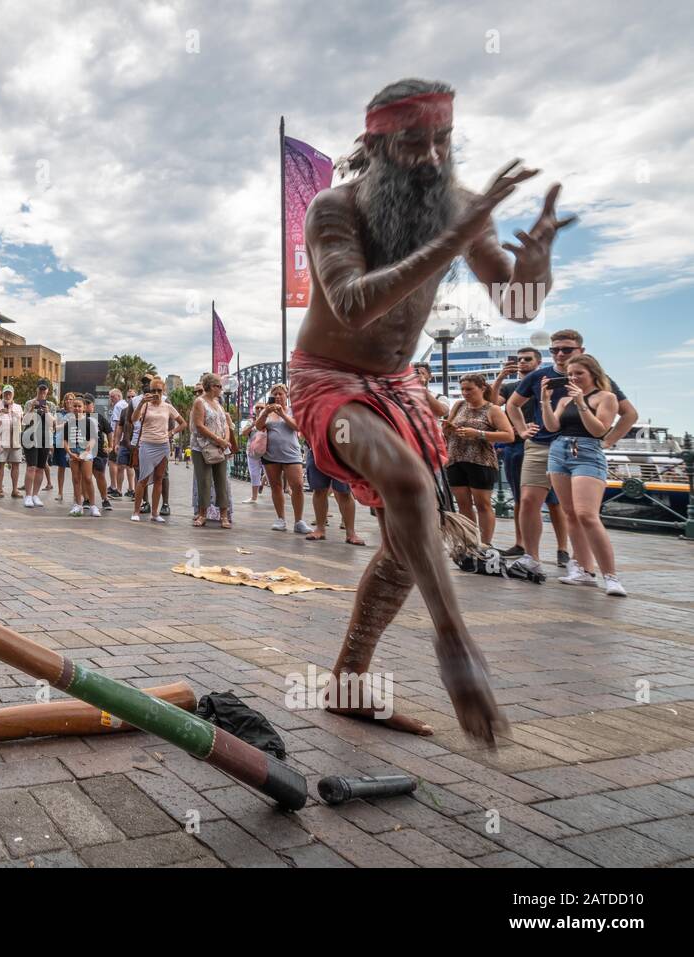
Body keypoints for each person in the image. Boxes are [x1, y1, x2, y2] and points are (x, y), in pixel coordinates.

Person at [291, 77, 577, 741]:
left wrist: (535, 269)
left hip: (399, 382)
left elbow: (516, 305)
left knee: (402, 544)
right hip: (327, 380)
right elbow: (355, 302)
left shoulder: (461, 206)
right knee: (409, 484)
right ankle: (457, 651)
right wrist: (454, 237)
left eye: (442, 141)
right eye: (412, 143)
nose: (430, 158)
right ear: (376, 146)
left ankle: (348, 680)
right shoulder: (334, 208)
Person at [505, 329, 637, 578]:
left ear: (581, 351)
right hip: (542, 445)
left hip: (579, 448)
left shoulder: (594, 380)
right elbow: (512, 404)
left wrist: (608, 441)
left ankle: (580, 563)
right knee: (529, 500)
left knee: (578, 511)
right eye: (554, 350)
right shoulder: (539, 376)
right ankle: (531, 558)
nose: (560, 354)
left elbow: (629, 413)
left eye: (567, 349)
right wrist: (522, 430)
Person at [542, 354, 626, 595]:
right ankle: (583, 571)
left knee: (587, 515)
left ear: (593, 374)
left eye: (579, 373)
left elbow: (598, 430)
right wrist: (545, 402)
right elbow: (551, 427)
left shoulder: (606, 397)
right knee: (570, 513)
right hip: (559, 451)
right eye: (570, 374)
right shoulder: (564, 400)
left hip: (587, 452)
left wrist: (581, 403)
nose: (574, 378)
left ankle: (610, 576)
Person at [491, 347, 568, 557]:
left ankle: (563, 548)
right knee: (520, 499)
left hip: (545, 443)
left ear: (538, 361)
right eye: (520, 359)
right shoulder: (511, 387)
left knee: (554, 501)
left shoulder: (544, 381)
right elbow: (492, 403)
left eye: (527, 359)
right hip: (517, 446)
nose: (522, 362)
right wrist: (500, 378)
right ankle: (521, 543)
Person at [442, 373, 514, 547]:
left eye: (469, 389)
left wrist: (479, 434)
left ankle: (486, 544)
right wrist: (448, 428)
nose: (465, 393)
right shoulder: (459, 405)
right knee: (463, 504)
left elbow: (508, 435)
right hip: (455, 458)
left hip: (480, 460)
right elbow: (446, 431)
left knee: (483, 504)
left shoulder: (492, 409)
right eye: (462, 389)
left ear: (482, 388)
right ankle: (469, 541)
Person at [257, 384, 312, 535]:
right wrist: (264, 413)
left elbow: (297, 427)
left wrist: (282, 414)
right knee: (275, 486)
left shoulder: (293, 410)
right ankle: (280, 519)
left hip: (291, 454)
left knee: (298, 485)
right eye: (275, 394)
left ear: (286, 396)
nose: (278, 397)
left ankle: (299, 521)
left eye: (281, 394)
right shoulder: (266, 411)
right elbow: (258, 426)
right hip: (271, 454)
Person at [130, 377, 185, 523]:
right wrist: (142, 402)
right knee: (143, 479)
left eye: (159, 390)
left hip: (163, 446)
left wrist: (171, 433)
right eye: (153, 390)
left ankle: (155, 513)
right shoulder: (145, 405)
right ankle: (136, 511)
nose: (156, 393)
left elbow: (183, 423)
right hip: (147, 445)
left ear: (163, 391)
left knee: (159, 479)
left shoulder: (167, 406)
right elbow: (133, 419)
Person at [190, 373, 234, 528]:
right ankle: (202, 514)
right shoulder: (200, 402)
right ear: (210, 386)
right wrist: (219, 440)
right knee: (204, 481)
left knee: (222, 481)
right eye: (219, 386)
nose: (221, 389)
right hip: (202, 448)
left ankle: (224, 515)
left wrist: (225, 441)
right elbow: (199, 426)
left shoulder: (218, 404)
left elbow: (225, 425)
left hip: (220, 448)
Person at [305, 448, 364, 545]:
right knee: (319, 490)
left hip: (342, 452)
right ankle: (320, 529)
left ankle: (351, 533)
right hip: (317, 451)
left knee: (344, 492)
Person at [21, 380, 55, 508]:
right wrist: (31, 409)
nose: (42, 392)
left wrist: (47, 412)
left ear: (47, 391)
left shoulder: (51, 405)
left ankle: (35, 495)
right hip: (30, 437)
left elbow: (53, 423)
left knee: (41, 467)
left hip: (45, 437)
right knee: (31, 467)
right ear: (37, 390)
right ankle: (28, 496)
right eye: (40, 389)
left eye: (44, 390)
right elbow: (24, 420)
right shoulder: (29, 403)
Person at [0, 384, 25, 498]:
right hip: (1, 440)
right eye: (6, 393)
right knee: (1, 464)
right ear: (3, 394)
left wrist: (12, 411)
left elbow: (21, 420)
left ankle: (15, 490)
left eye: (10, 393)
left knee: (16, 464)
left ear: (13, 394)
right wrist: (0, 413)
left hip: (15, 439)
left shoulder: (18, 407)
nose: (8, 395)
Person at [240, 399, 269, 503]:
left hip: (267, 451)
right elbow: (243, 433)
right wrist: (253, 424)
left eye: (262, 407)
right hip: (252, 451)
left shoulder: (269, 419)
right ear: (254, 409)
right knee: (254, 473)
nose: (260, 409)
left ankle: (276, 495)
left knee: (270, 473)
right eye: (257, 407)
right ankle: (254, 497)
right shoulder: (250, 421)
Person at [106, 388, 128, 496]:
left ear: (118, 396)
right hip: (126, 438)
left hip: (118, 438)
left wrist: (114, 441)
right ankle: (119, 487)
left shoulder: (118, 406)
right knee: (124, 465)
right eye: (110, 397)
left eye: (112, 396)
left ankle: (114, 486)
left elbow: (116, 425)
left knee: (112, 462)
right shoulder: (126, 405)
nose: (111, 399)